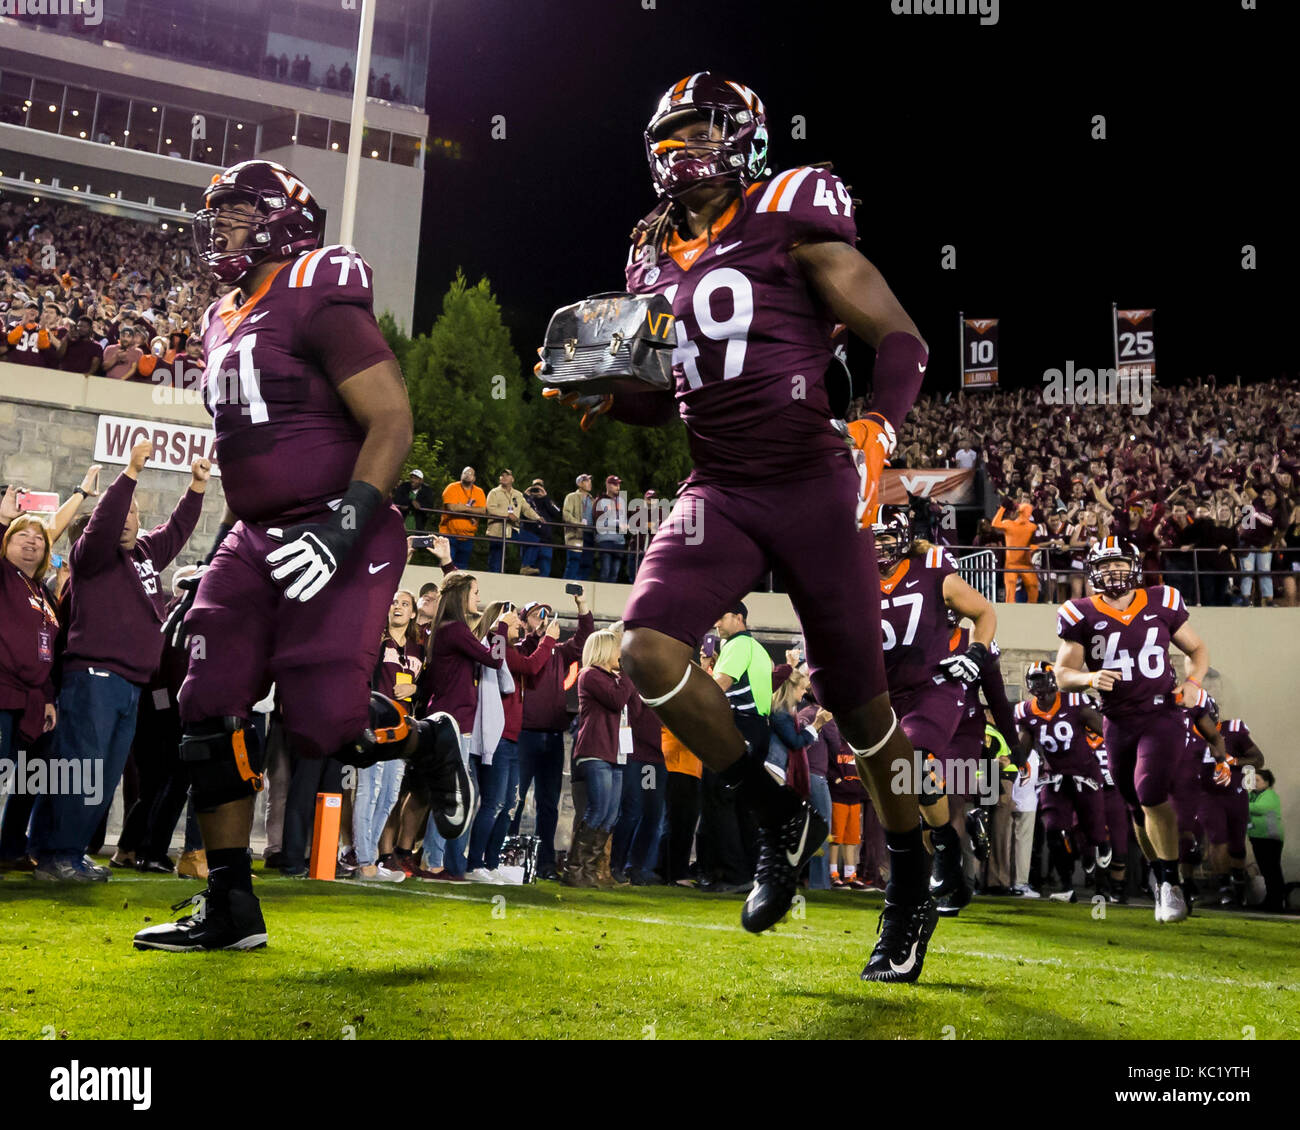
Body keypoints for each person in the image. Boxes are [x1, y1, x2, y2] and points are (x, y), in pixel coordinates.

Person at [548, 73, 935, 980]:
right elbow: (671, 398)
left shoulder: (789, 210)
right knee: (644, 649)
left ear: (745, 136)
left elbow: (904, 339)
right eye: (668, 133)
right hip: (718, 485)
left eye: (698, 129)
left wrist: (878, 422)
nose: (681, 148)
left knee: (864, 709)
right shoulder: (650, 256)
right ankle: (770, 813)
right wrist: (606, 392)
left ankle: (912, 875)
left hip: (810, 481)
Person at [133, 160, 470, 951]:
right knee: (205, 709)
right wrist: (221, 555)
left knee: (326, 725)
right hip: (252, 539)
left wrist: (343, 526)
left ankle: (428, 742)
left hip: (338, 526)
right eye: (216, 214)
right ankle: (230, 906)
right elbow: (254, 459)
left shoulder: (319, 286)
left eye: (239, 212)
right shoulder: (220, 315)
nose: (220, 228)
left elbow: (392, 422)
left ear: (284, 219)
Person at [30, 442, 206, 882]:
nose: (127, 517)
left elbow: (178, 529)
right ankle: (57, 855)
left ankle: (64, 850)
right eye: (121, 510)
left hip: (130, 684)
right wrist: (129, 472)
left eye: (134, 513)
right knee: (83, 770)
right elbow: (106, 518)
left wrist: (197, 487)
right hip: (94, 676)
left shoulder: (145, 554)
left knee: (103, 778)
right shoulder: (90, 557)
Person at [1053, 536, 1219, 923]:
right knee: (1133, 804)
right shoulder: (1080, 612)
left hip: (1162, 713)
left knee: (1150, 791)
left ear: (1135, 567)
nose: (1114, 572)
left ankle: (1169, 882)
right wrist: (1090, 678)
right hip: (1117, 720)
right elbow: (1062, 675)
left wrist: (1193, 683)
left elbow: (1197, 650)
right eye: (1106, 565)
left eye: (1120, 564)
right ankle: (1161, 879)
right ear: (1094, 572)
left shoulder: (1161, 600)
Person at [872, 505, 998, 916]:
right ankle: (949, 862)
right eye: (870, 537)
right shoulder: (855, 583)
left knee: (916, 760)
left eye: (885, 537)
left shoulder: (930, 570)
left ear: (904, 537)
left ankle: (944, 852)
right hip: (888, 696)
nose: (878, 546)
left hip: (934, 686)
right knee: (902, 789)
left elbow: (983, 611)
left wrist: (976, 653)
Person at [1013, 662, 1112, 902]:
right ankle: (1067, 886)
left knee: (1095, 832)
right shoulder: (1025, 711)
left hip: (1084, 773)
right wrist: (1012, 760)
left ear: (1052, 679)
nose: (1038, 684)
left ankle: (1103, 889)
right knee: (1053, 829)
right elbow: (1023, 748)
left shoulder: (1075, 703)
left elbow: (1107, 733)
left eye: (1041, 678)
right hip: (1054, 775)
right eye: (1033, 679)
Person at [513, 591, 594, 879]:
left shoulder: (559, 650)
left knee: (548, 803)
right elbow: (532, 666)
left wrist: (582, 607)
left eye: (547, 613)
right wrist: (547, 640)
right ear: (524, 622)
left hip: (552, 736)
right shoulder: (520, 649)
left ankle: (545, 862)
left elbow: (585, 640)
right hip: (524, 735)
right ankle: (510, 859)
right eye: (537, 614)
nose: (544, 619)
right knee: (516, 799)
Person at [352, 590, 422, 882]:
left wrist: (415, 689)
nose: (399, 607)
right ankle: (364, 859)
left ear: (413, 614)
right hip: (375, 724)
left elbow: (423, 683)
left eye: (405, 604)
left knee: (390, 794)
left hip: (402, 729)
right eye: (394, 602)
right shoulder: (376, 639)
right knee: (369, 791)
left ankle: (370, 858)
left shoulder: (419, 649)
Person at [565, 630, 634, 887]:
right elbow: (616, 701)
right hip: (596, 751)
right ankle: (575, 870)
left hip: (615, 752)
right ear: (605, 650)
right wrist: (626, 673)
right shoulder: (590, 675)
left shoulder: (613, 678)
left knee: (610, 815)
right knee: (598, 810)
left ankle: (590, 870)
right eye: (617, 649)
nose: (621, 654)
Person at [485, 469, 540, 574]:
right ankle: (493, 576)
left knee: (534, 540)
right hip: (497, 528)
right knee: (496, 556)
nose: (504, 477)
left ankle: (525, 566)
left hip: (513, 528)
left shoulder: (518, 494)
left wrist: (537, 517)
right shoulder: (494, 492)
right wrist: (507, 515)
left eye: (507, 475)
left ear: (512, 479)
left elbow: (526, 508)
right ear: (499, 479)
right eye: (502, 475)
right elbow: (490, 509)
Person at [1247, 769, 1285, 912]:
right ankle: (1270, 900)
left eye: (1257, 780)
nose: (1254, 783)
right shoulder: (1252, 796)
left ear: (1267, 782)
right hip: (1258, 837)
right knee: (1266, 871)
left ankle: (1276, 902)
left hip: (1270, 838)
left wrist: (1243, 805)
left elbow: (1260, 809)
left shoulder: (1270, 795)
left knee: (1272, 871)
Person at [992, 498, 1040, 603]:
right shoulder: (1009, 524)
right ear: (1020, 512)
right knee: (1010, 586)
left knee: (1033, 586)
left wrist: (1033, 548)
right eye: (1025, 512)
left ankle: (1032, 608)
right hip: (1011, 564)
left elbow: (1035, 542)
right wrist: (1002, 508)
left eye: (1028, 512)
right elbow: (995, 524)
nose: (1027, 515)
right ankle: (1010, 608)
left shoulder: (1032, 527)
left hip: (1026, 563)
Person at [440, 467, 486, 568]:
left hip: (468, 536)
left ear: (474, 478)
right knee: (446, 564)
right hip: (449, 534)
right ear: (461, 475)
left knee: (462, 567)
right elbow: (452, 508)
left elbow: (483, 511)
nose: (467, 474)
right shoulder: (451, 487)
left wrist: (463, 508)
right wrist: (472, 512)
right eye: (465, 473)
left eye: (470, 473)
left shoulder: (479, 491)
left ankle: (458, 584)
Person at [520, 479, 562, 577]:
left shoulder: (548, 501)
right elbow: (519, 510)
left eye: (540, 486)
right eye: (535, 486)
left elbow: (558, 513)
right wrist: (525, 495)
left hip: (545, 540)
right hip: (531, 538)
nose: (537, 489)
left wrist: (545, 497)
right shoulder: (526, 500)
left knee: (544, 569)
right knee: (527, 570)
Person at [592, 474, 627, 583]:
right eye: (615, 484)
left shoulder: (621, 501)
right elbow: (599, 521)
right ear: (608, 485)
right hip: (605, 539)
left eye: (619, 484)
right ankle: (601, 597)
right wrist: (618, 524)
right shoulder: (600, 501)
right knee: (605, 571)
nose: (618, 487)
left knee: (614, 573)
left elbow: (624, 519)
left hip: (619, 541)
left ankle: (609, 599)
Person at [562, 473, 594, 580]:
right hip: (576, 534)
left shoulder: (592, 500)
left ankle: (580, 589)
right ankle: (566, 588)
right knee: (574, 561)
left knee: (587, 564)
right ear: (579, 483)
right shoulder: (571, 497)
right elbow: (566, 514)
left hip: (589, 534)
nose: (589, 483)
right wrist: (578, 523)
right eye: (586, 481)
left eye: (590, 481)